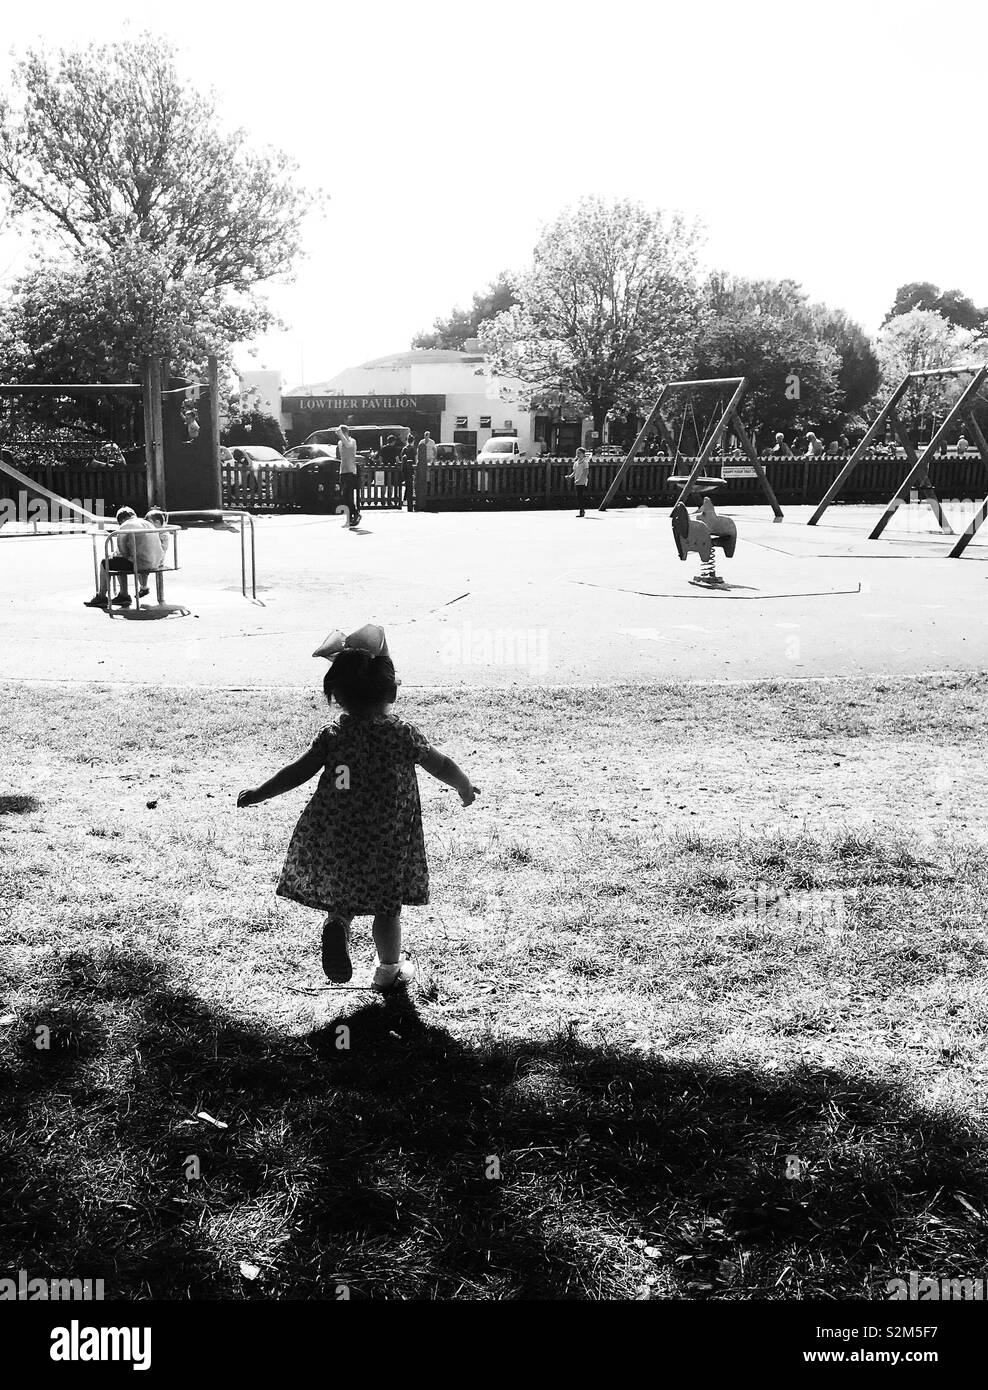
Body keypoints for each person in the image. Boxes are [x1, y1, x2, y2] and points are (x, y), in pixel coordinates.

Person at [237, 633, 480, 991]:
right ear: (392, 693)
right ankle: (389, 970)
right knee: (387, 905)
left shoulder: (334, 734)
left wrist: (260, 792)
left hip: (339, 830)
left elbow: (298, 770)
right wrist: (462, 784)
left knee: (346, 886)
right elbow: (440, 764)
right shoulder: (401, 734)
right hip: (388, 835)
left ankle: (338, 922)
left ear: (337, 696)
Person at [83, 506, 159, 609]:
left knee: (105, 563)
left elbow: (122, 550)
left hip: (140, 563)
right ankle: (123, 595)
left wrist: (117, 554)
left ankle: (102, 596)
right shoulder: (147, 523)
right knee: (118, 562)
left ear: (121, 520)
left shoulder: (125, 525)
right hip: (155, 561)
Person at [137, 508, 170, 597]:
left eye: (149, 522)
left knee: (141, 565)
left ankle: (143, 587)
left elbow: (158, 548)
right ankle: (143, 587)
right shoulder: (159, 532)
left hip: (157, 559)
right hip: (155, 558)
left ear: (157, 522)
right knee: (141, 565)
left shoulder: (161, 533)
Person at [337, 425, 360, 527]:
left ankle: (356, 514)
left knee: (348, 494)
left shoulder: (352, 441)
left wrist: (341, 435)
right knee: (344, 496)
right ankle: (351, 517)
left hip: (351, 471)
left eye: (341, 433)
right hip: (343, 470)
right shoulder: (340, 442)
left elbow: (348, 445)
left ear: (345, 433)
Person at [564, 446, 590, 516]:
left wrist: (580, 480)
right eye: (577, 453)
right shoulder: (576, 463)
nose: (578, 454)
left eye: (579, 453)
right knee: (578, 497)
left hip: (582, 482)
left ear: (583, 454)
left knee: (580, 496)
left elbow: (586, 473)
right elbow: (574, 472)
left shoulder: (585, 462)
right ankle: (581, 510)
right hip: (577, 481)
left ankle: (582, 511)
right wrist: (570, 476)